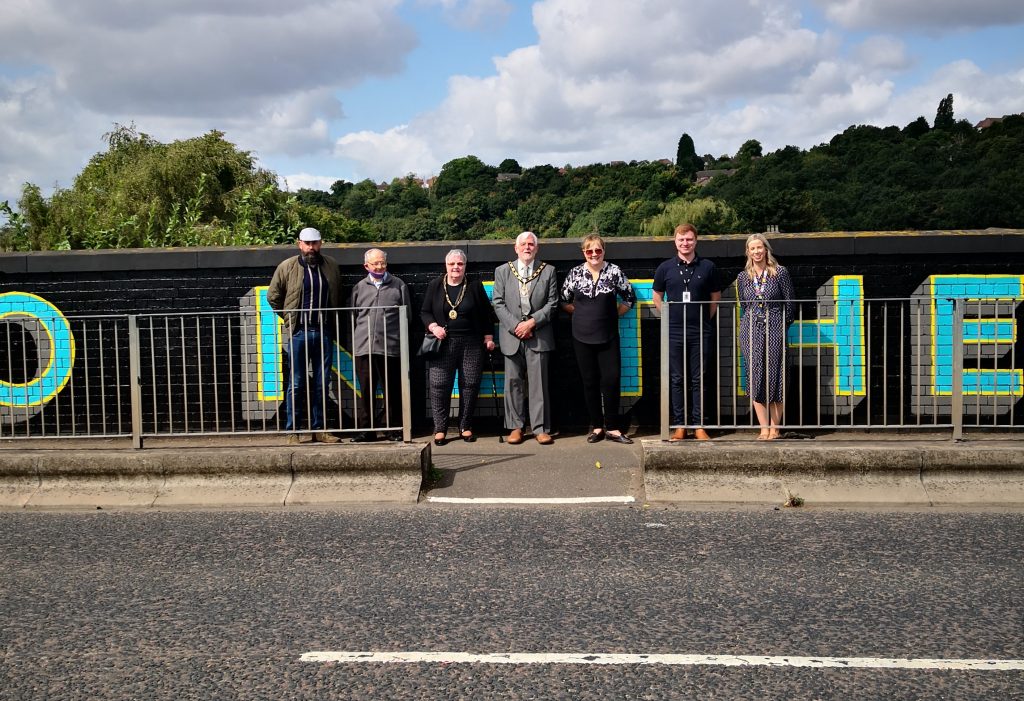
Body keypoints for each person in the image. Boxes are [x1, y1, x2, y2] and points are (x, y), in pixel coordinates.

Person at [266, 227, 342, 445]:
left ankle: (320, 430)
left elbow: (338, 294)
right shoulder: (287, 266)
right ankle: (293, 431)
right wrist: (289, 318)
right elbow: (273, 296)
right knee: (296, 383)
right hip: (299, 333)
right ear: (299, 244)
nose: (311, 247)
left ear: (320, 243)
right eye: (307, 243)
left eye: (314, 243)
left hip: (323, 331)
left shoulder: (331, 265)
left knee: (322, 383)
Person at [560, 234, 636, 444]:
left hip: (608, 336)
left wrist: (614, 315)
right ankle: (596, 427)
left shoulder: (614, 272)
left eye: (598, 250)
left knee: (611, 380)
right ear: (584, 252)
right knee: (590, 382)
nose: (594, 254)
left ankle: (613, 428)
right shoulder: (575, 273)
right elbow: (563, 300)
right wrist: (579, 314)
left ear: (604, 251)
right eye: (589, 251)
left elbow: (630, 298)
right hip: (581, 337)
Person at [652, 223, 723, 441]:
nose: (685, 243)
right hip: (673, 332)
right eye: (681, 239)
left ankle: (699, 425)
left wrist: (704, 319)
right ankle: (680, 425)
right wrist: (668, 317)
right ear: (675, 242)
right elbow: (657, 296)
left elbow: (715, 297)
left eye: (689, 239)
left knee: (699, 378)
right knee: (677, 379)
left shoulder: (708, 267)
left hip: (700, 331)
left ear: (696, 241)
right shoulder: (665, 267)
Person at [421, 249, 497, 446]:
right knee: (439, 385)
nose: (456, 267)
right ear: (446, 265)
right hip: (443, 343)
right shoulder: (435, 285)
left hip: (472, 343)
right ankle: (440, 428)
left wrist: (489, 337)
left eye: (460, 264)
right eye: (452, 264)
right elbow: (425, 312)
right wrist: (434, 327)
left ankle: (465, 426)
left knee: (470, 385)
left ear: (465, 266)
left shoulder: (474, 286)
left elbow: (486, 314)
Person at [492, 231, 559, 445]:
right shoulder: (503, 271)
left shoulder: (548, 271)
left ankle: (540, 428)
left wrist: (531, 323)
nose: (527, 247)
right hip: (512, 336)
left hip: (538, 334)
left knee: (539, 384)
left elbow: (553, 303)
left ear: (536, 248)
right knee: (513, 383)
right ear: (516, 248)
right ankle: (516, 427)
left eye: (531, 244)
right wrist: (516, 326)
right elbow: (498, 303)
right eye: (523, 244)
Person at [737, 233, 795, 440]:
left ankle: (775, 428)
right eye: (752, 248)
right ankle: (763, 428)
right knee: (756, 377)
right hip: (751, 329)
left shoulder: (779, 272)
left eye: (759, 247)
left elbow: (790, 303)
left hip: (776, 327)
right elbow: (744, 304)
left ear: (766, 249)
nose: (756, 252)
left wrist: (780, 324)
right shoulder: (743, 277)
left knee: (776, 375)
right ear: (748, 252)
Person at [349, 248, 410, 442]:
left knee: (391, 391)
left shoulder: (398, 285)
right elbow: (353, 315)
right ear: (366, 266)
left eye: (382, 262)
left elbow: (406, 316)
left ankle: (392, 429)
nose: (379, 266)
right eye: (375, 263)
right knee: (366, 391)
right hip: (364, 347)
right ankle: (366, 431)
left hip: (390, 348)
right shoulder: (359, 287)